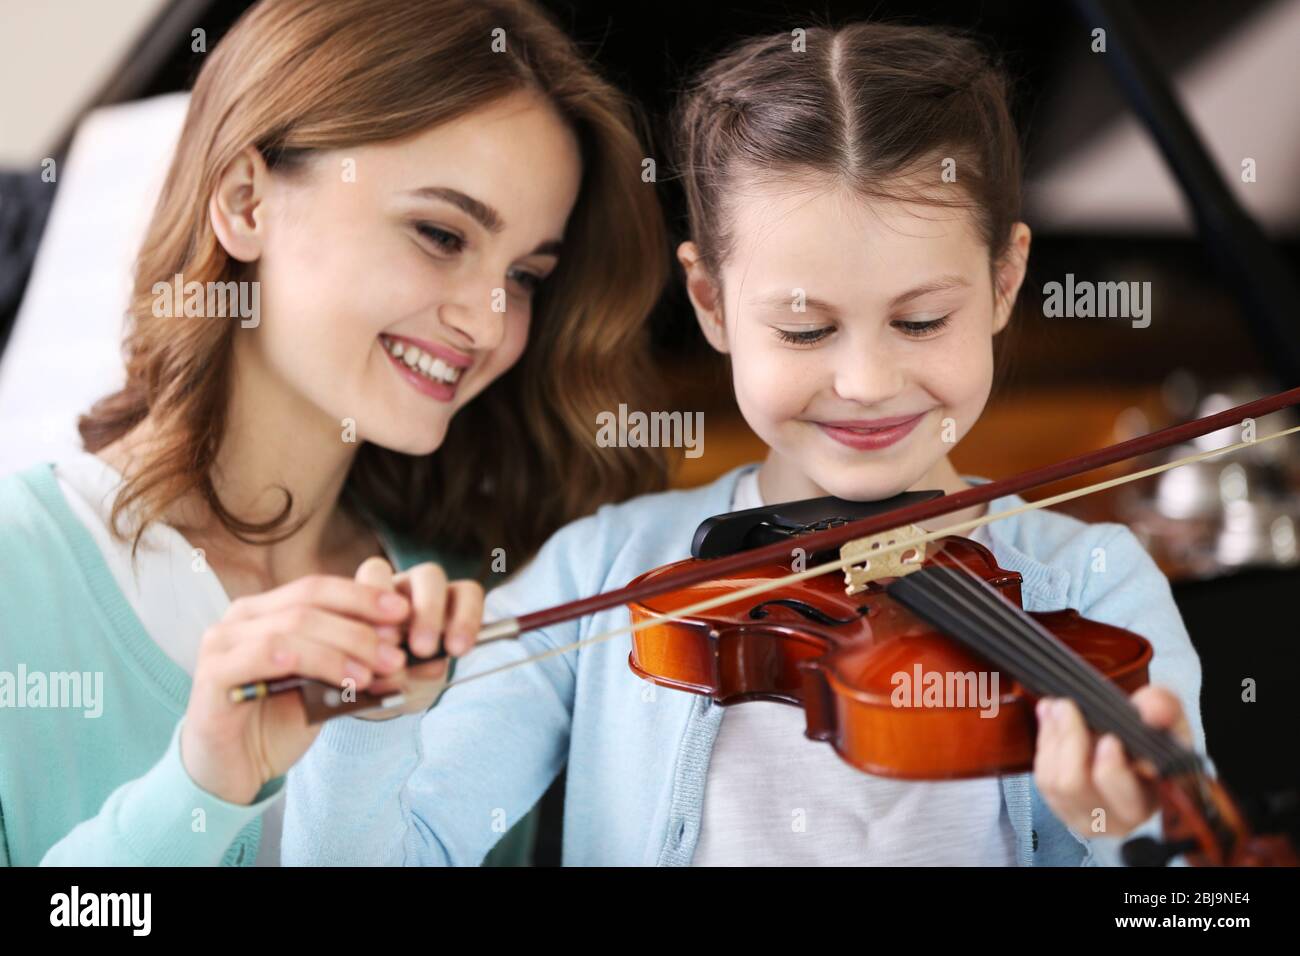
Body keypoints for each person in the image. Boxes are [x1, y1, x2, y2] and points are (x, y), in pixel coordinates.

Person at [283, 22, 1205, 866]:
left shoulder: (1091, 590)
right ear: (712, 302)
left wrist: (1124, 835)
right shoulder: (605, 576)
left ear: (1005, 282)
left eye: (922, 320)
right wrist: (367, 724)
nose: (867, 382)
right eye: (805, 331)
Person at [0, 0, 670, 866]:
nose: (487, 321)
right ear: (246, 202)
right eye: (439, 234)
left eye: (527, 275)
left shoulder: (471, 613)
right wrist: (198, 788)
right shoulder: (17, 575)